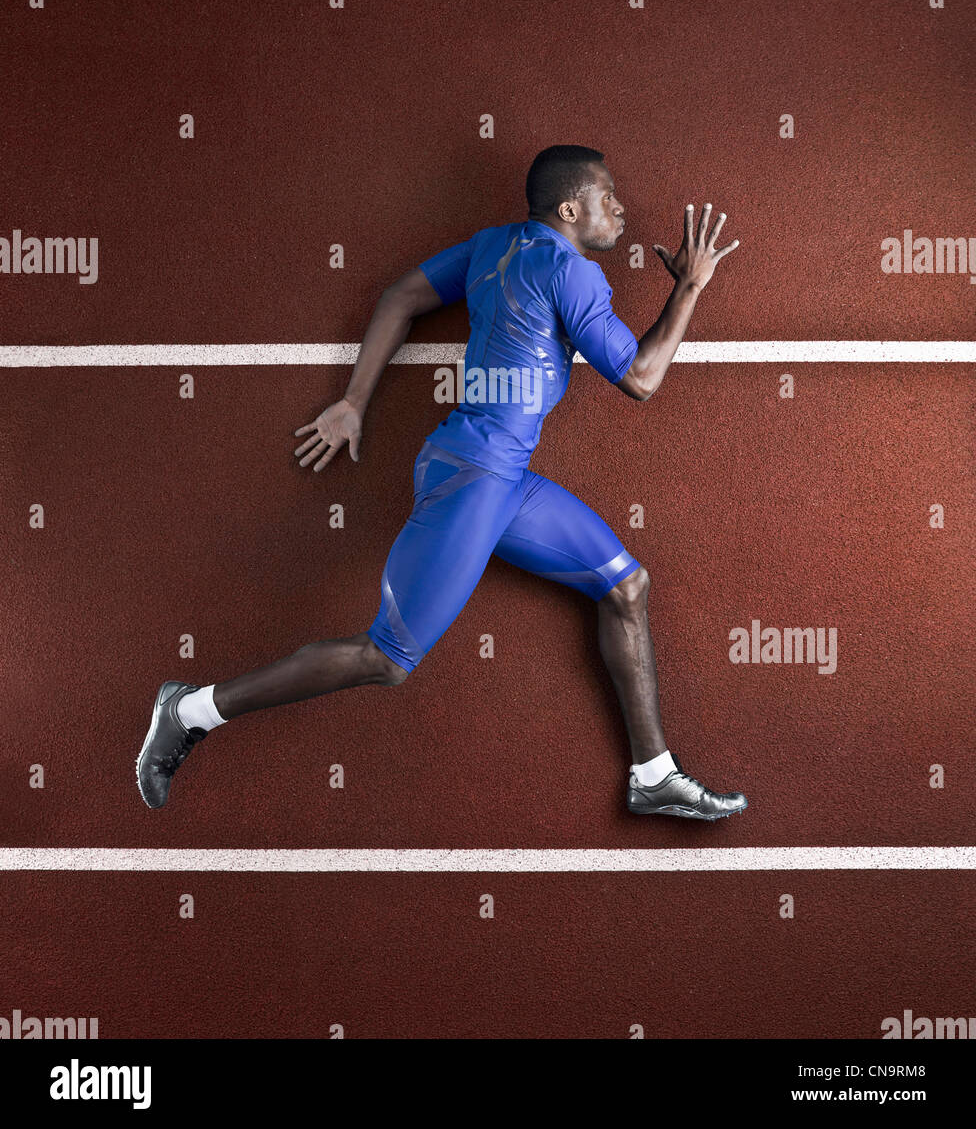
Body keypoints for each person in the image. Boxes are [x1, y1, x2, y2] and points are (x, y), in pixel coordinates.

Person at [137, 145, 746, 821]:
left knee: (626, 587)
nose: (621, 208)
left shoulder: (494, 247)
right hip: (476, 478)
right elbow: (640, 379)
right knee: (387, 658)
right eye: (609, 197)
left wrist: (353, 402)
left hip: (496, 474)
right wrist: (689, 286)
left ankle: (653, 774)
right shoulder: (573, 273)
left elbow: (401, 296)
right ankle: (189, 709)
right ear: (570, 209)